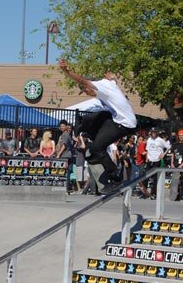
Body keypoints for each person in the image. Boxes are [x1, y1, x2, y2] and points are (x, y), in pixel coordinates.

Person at [58, 60, 137, 192]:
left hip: (124, 123)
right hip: (117, 119)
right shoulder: (109, 84)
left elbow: (82, 81)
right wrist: (113, 78)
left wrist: (67, 71)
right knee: (92, 117)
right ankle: (94, 144)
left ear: (90, 87)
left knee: (97, 146)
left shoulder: (100, 86)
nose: (87, 94)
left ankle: (115, 177)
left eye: (86, 92)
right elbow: (113, 81)